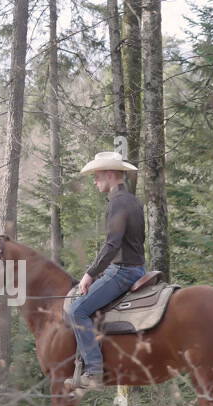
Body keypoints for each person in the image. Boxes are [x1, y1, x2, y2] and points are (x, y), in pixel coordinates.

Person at [67, 151, 147, 390]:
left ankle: (94, 372)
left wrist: (90, 273)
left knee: (77, 310)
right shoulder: (133, 200)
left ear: (111, 174)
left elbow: (112, 244)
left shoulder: (117, 202)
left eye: (98, 176)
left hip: (123, 271)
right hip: (137, 267)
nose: (95, 182)